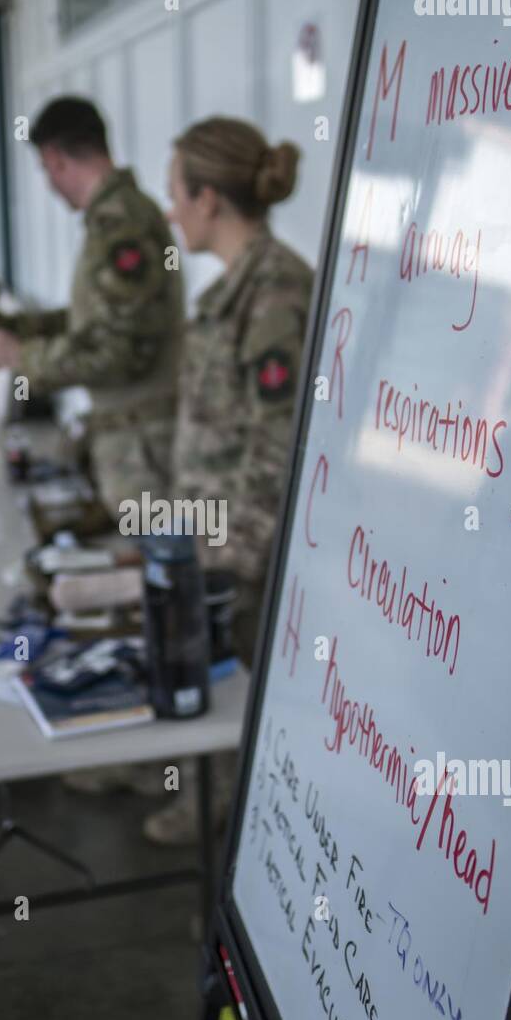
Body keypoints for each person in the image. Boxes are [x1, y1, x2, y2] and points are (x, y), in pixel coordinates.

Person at [143, 116, 314, 845]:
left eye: (176, 194)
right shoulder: (233, 288)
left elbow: (276, 446)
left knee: (247, 702)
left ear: (209, 199)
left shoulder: (274, 292)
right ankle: (211, 803)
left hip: (245, 550)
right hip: (209, 536)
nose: (172, 211)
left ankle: (235, 838)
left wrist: (233, 563)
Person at [0, 95, 183, 515]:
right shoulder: (122, 216)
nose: (49, 184)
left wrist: (19, 356)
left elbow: (118, 351)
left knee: (158, 567)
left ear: (54, 159)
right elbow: (94, 321)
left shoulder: (119, 225)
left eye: (45, 171)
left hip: (143, 450)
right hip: (134, 442)